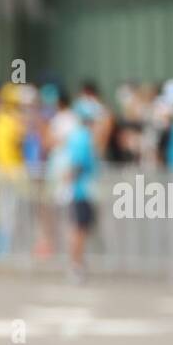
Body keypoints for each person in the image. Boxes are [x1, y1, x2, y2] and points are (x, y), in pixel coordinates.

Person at [64, 100, 99, 282]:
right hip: (81, 191)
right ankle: (75, 265)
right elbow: (76, 165)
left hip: (81, 190)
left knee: (80, 230)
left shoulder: (79, 136)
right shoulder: (82, 137)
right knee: (79, 230)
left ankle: (77, 264)